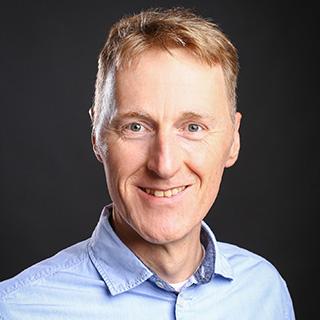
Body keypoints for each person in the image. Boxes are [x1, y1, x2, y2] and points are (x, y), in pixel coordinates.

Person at [0, 7, 295, 319]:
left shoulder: (264, 290)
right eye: (135, 127)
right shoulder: (16, 309)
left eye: (193, 127)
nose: (164, 165)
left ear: (233, 140)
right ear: (97, 136)